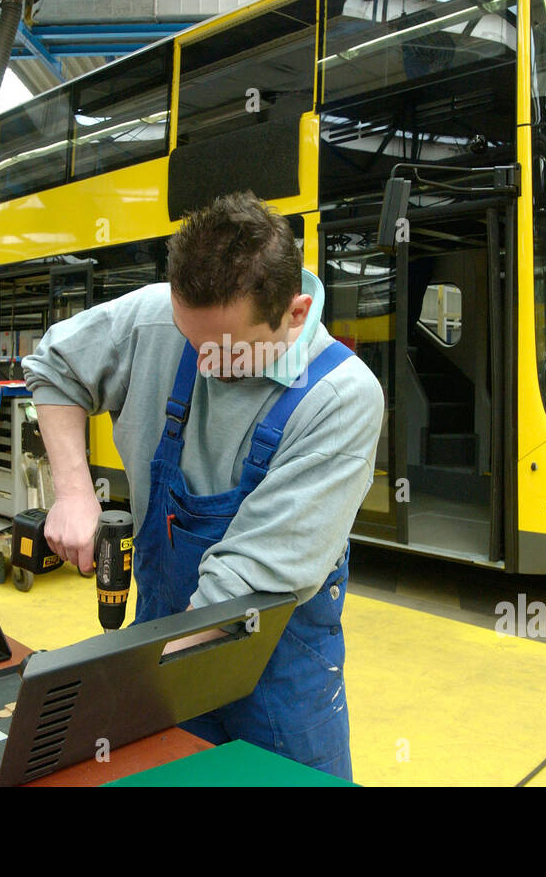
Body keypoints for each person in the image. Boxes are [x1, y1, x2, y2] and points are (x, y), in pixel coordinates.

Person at [21, 191, 384, 779]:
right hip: (166, 628)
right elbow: (56, 366)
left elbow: (243, 584)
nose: (204, 364)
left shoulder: (340, 398)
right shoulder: (159, 318)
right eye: (192, 342)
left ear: (294, 314)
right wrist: (73, 490)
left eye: (227, 351)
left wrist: (110, 691)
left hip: (279, 666)